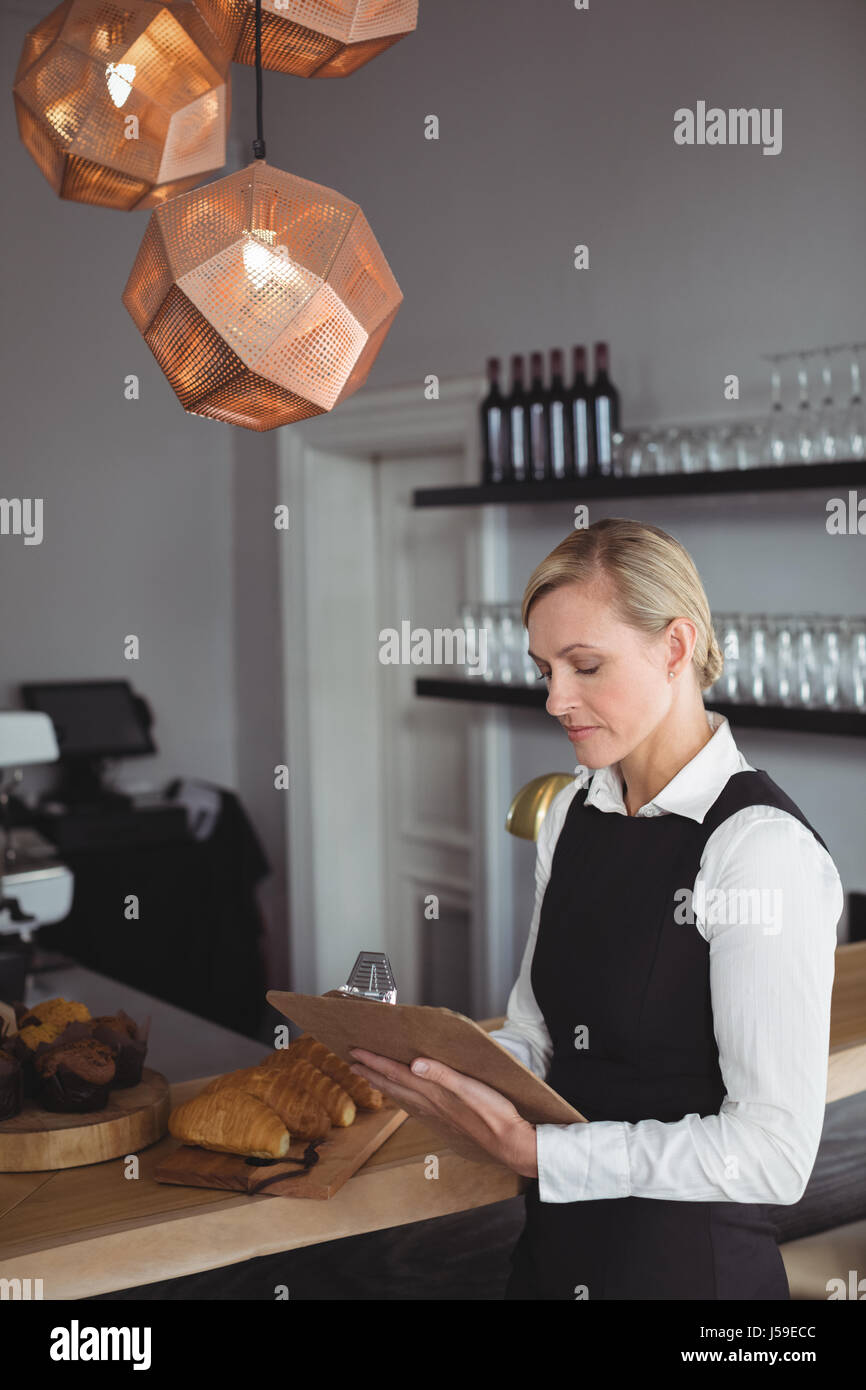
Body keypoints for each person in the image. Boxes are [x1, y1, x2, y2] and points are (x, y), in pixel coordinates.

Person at [348, 518, 843, 1301]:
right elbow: (538, 1037)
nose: (554, 698)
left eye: (584, 666)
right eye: (545, 668)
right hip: (553, 1261)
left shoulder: (759, 849)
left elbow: (774, 1154)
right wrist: (435, 1068)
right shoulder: (571, 812)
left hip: (691, 1280)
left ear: (676, 648)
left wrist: (542, 1155)